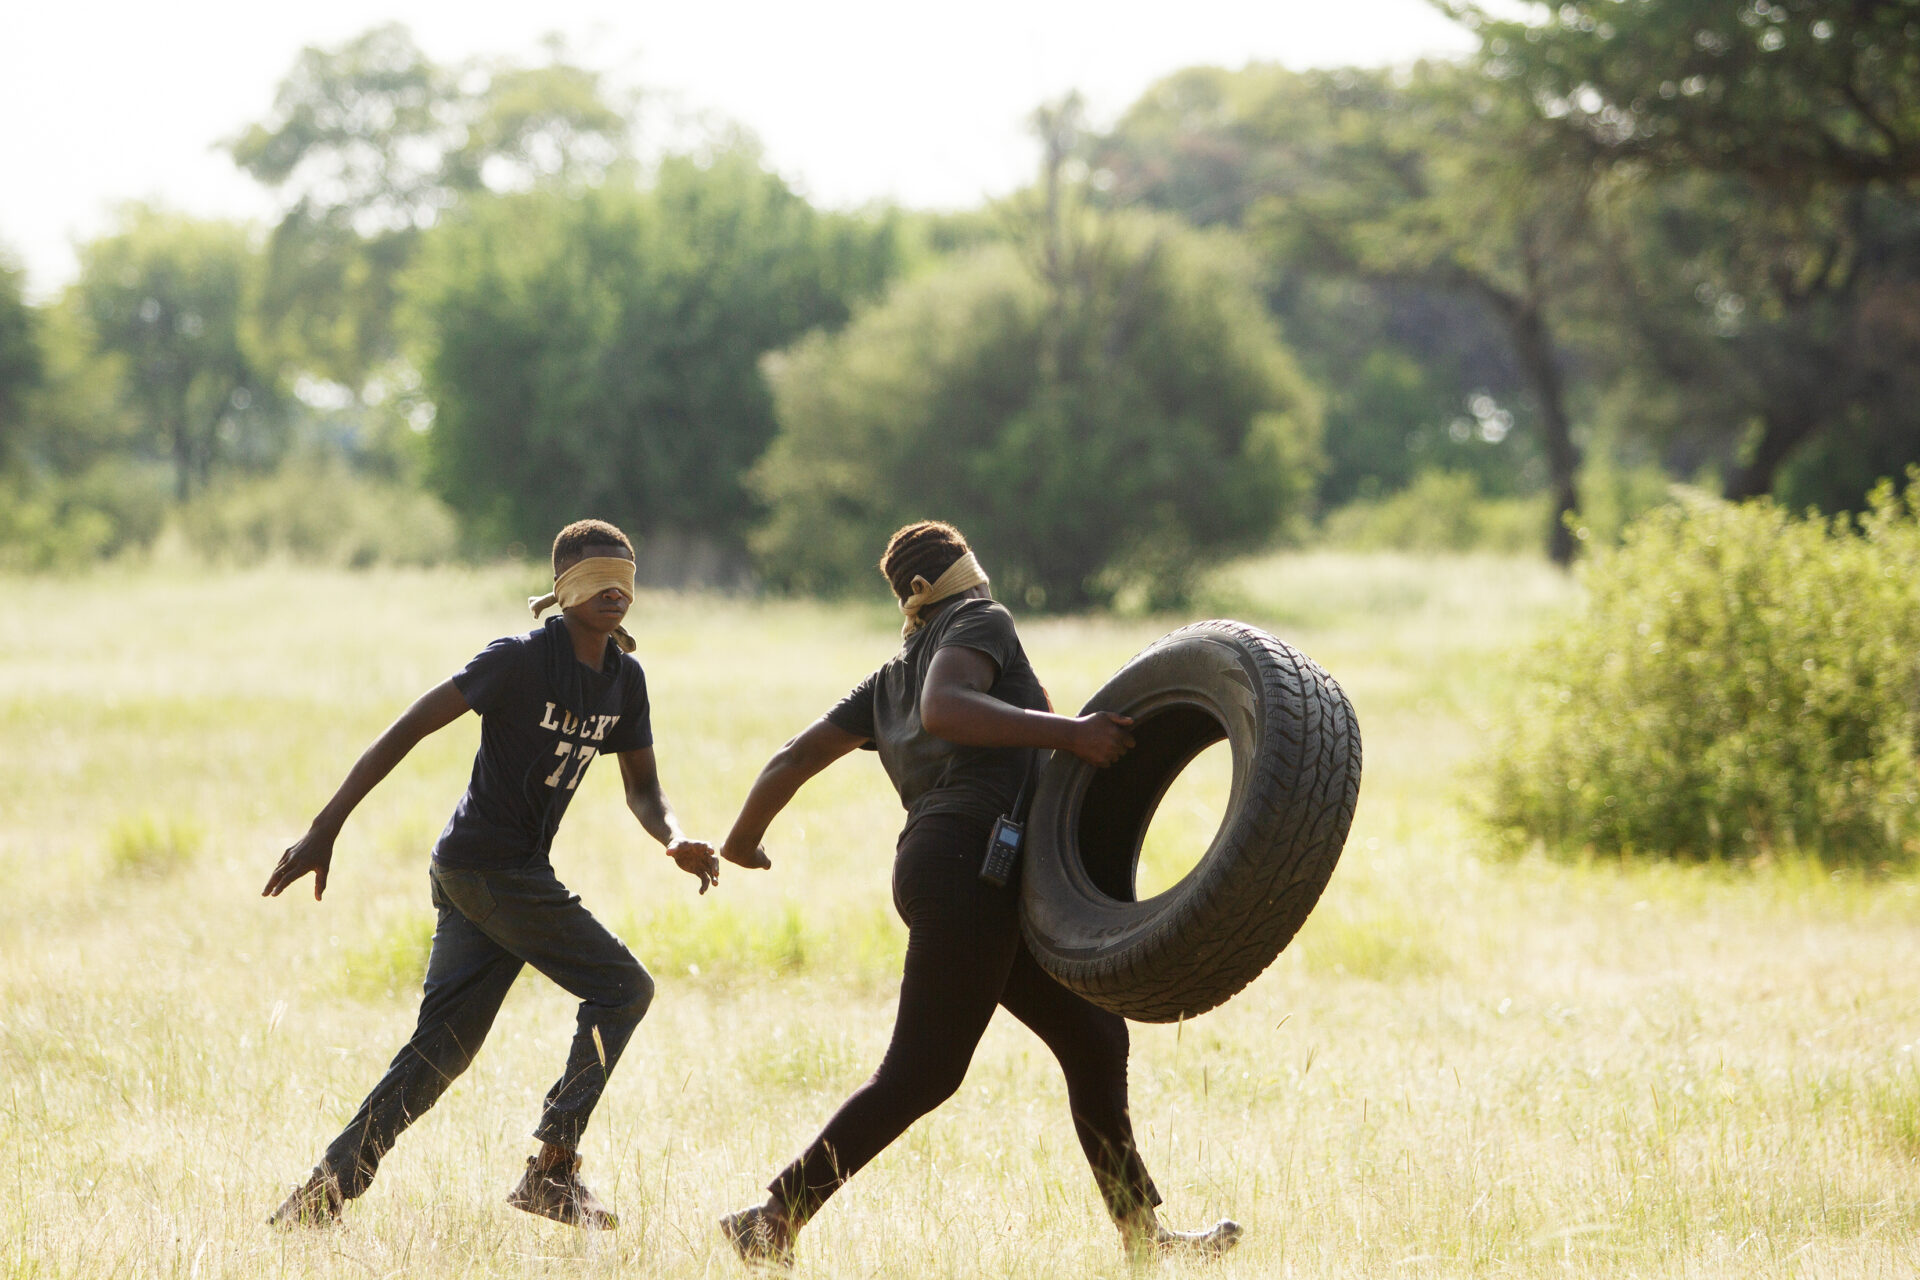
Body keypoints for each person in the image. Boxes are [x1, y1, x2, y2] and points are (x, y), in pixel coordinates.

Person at [713, 520, 1241, 1265]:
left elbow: (794, 755)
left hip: (948, 865)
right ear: (965, 571)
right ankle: (773, 1217)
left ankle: (1144, 1239)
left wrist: (743, 839)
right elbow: (947, 709)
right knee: (923, 1071)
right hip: (971, 864)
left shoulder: (888, 676)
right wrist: (1071, 733)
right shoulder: (979, 619)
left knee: (1092, 1037)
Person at [262, 518, 720, 1231]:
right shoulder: (518, 660)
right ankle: (553, 1170)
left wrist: (675, 836)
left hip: (499, 873)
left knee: (440, 1051)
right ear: (564, 589)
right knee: (623, 986)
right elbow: (409, 727)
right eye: (600, 580)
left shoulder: (624, 681)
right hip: (484, 867)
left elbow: (643, 789)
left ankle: (321, 1195)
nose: (616, 594)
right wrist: (327, 827)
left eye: (625, 581)